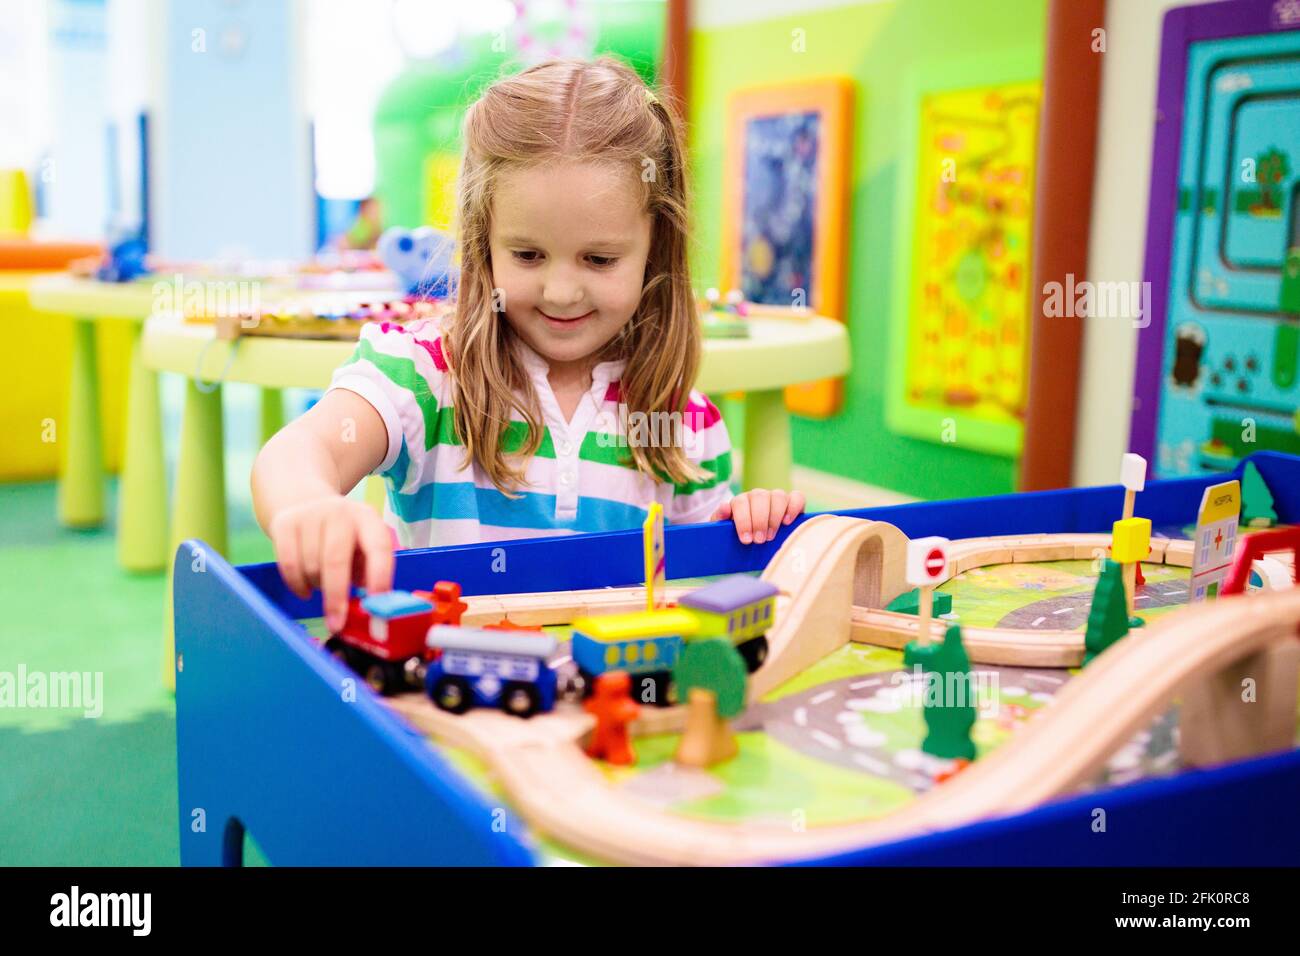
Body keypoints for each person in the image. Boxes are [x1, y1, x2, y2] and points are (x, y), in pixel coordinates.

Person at [252, 57, 805, 632]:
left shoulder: (686, 423)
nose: (561, 291)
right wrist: (308, 505)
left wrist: (743, 527)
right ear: (482, 236)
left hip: (611, 706)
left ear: (655, 248)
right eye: (527, 255)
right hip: (443, 706)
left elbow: (703, 589)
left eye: (599, 259)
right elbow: (300, 451)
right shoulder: (420, 374)